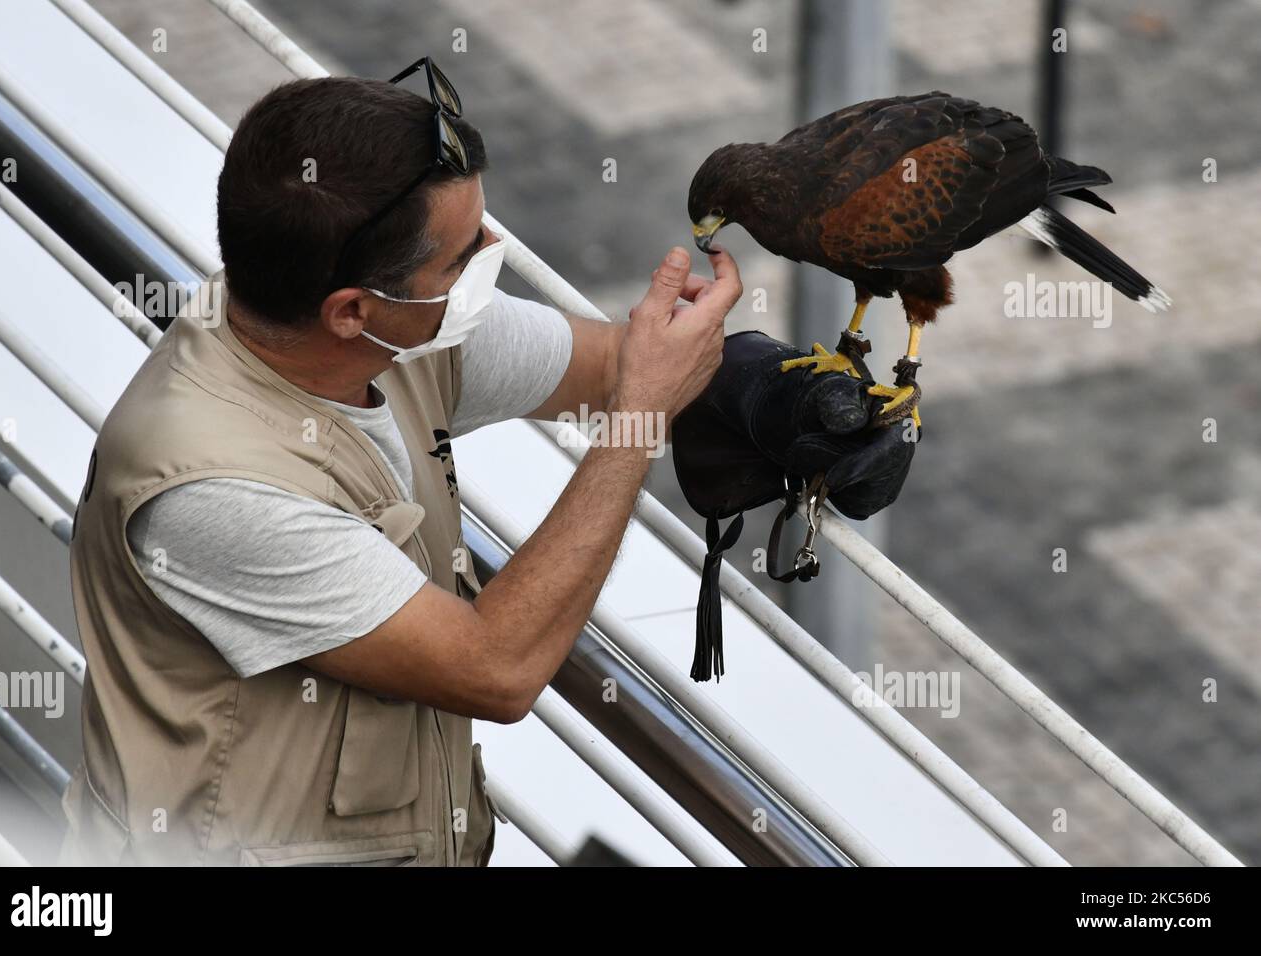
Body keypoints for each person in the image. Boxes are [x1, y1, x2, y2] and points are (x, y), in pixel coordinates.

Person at [60, 62, 902, 867]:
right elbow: (496, 669)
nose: (492, 252)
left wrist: (780, 391)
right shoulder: (213, 492)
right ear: (351, 309)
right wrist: (642, 418)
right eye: (462, 257)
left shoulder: (382, 330)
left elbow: (613, 364)